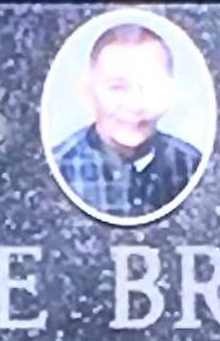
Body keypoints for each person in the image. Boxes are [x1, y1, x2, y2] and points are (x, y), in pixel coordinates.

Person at [51, 22, 202, 221]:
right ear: (88, 93)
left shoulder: (191, 165)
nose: (135, 104)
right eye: (118, 88)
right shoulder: (59, 168)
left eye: (151, 86)